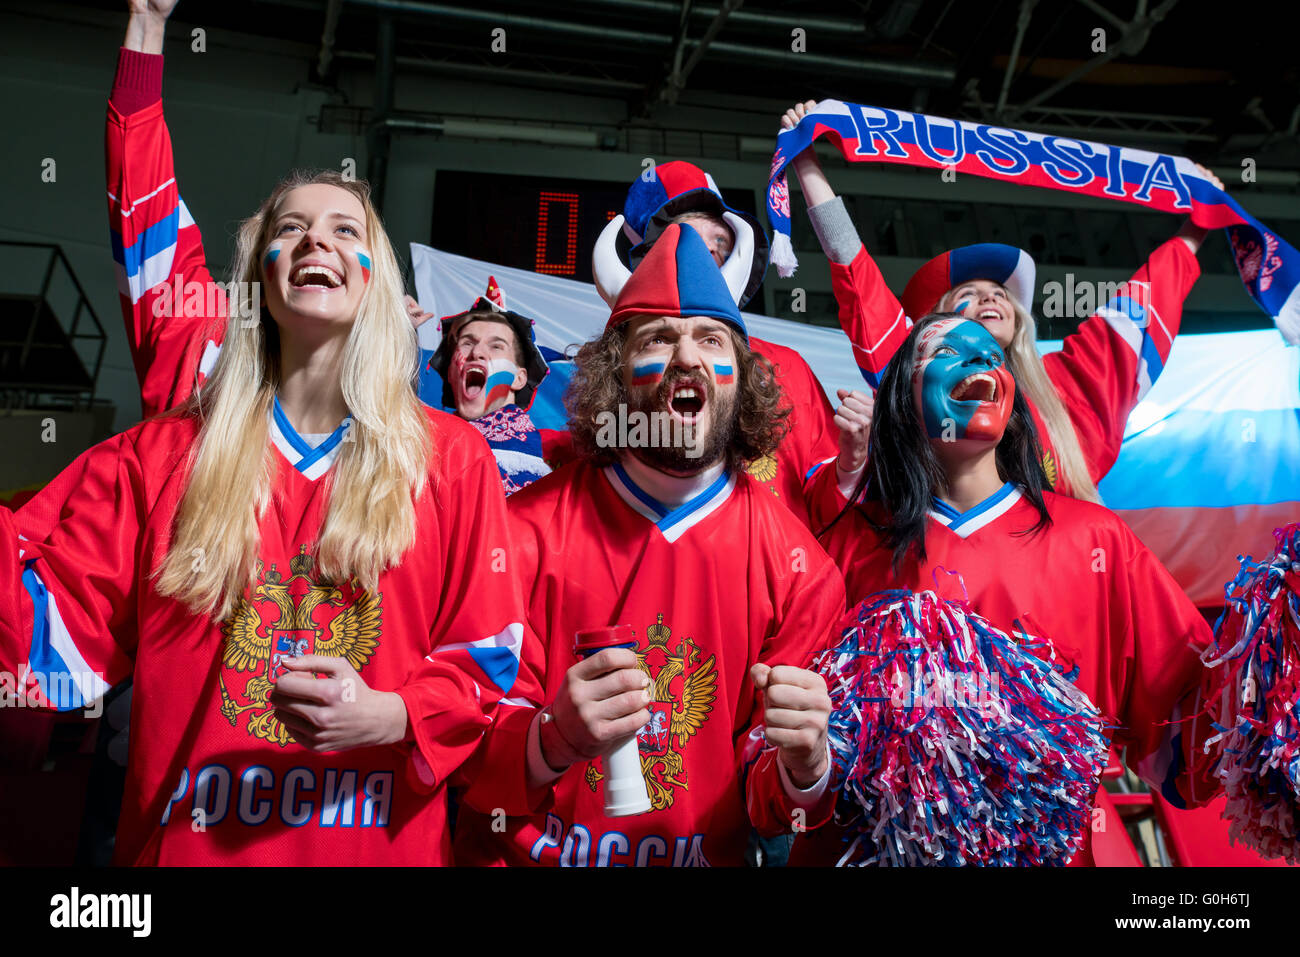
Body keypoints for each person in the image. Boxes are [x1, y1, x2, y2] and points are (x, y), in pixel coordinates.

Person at [0, 0, 526, 866]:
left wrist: (395, 714)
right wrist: (145, 27)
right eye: (291, 229)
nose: (316, 238)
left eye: (344, 229)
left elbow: (494, 660)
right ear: (255, 277)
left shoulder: (450, 458)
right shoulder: (171, 431)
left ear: (378, 281)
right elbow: (46, 637)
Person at [451, 222, 846, 866]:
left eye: (710, 339)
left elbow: (779, 811)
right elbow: (459, 754)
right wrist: (550, 741)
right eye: (659, 339)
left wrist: (806, 765)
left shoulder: (802, 570)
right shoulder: (515, 536)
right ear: (616, 377)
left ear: (741, 378)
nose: (688, 358)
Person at [793, 312, 1223, 865]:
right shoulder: (843, 542)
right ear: (902, 397)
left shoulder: (1096, 538)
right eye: (947, 353)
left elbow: (1193, 740)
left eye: (993, 355)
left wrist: (1269, 662)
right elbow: (790, 745)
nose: (980, 359)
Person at [781, 99, 1224, 504]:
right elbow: (854, 266)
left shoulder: (1062, 386)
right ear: (931, 327)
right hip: (948, 581)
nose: (990, 299)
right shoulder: (917, 374)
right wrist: (806, 162)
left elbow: (1138, 310)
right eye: (966, 297)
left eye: (999, 295)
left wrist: (1195, 230)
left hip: (1062, 582)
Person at [613, 160, 854, 527]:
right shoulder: (617, 367)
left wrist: (850, 467)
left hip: (779, 574)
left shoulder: (786, 366)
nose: (710, 253)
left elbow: (823, 504)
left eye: (720, 241)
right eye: (687, 239)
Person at [412, 277, 552, 494]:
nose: (477, 352)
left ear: (519, 378)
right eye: (467, 343)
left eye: (496, 346)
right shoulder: (420, 438)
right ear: (450, 372)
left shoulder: (560, 454)